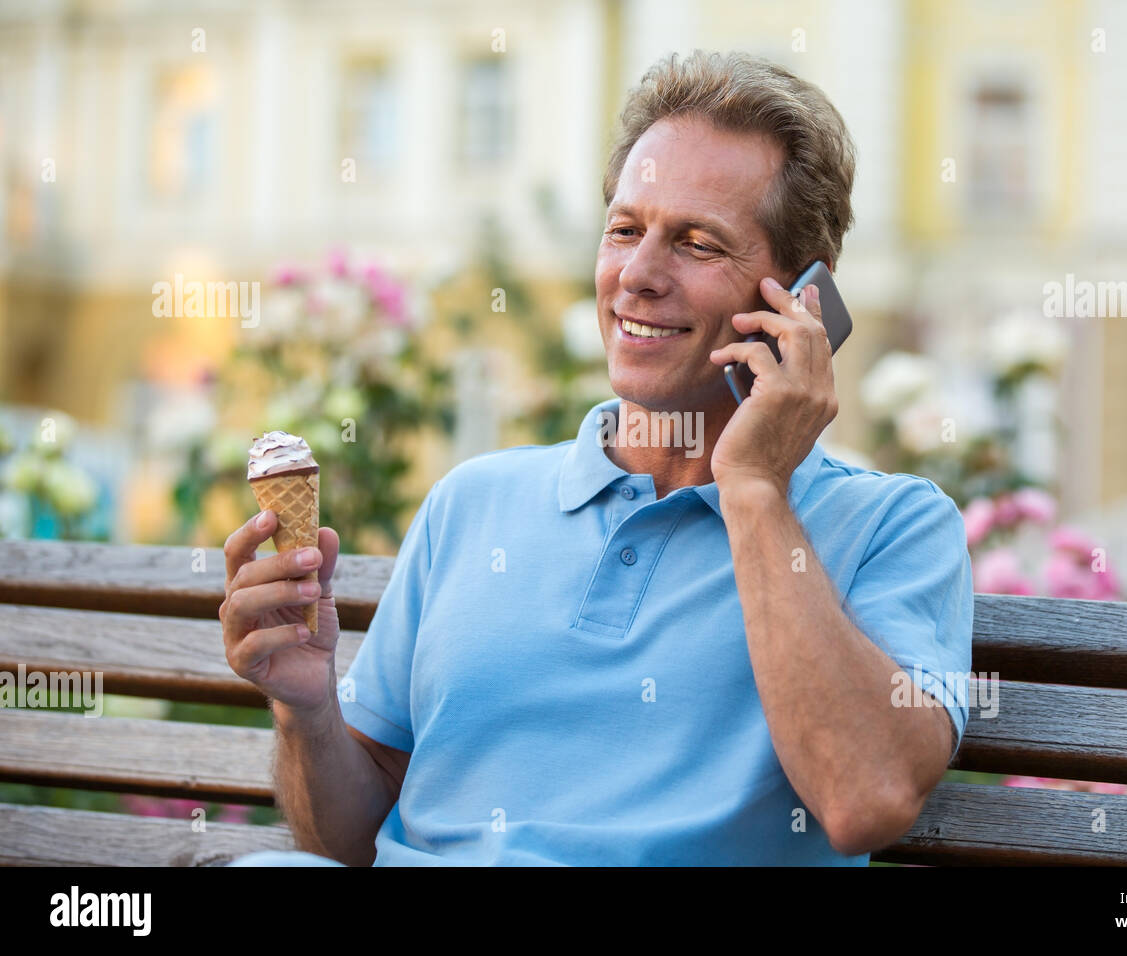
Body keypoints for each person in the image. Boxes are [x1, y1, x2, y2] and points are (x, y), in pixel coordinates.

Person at [223, 49, 971, 867]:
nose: (637, 277)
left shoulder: (895, 527)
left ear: (801, 301)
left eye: (697, 243)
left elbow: (866, 799)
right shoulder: (474, 502)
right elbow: (351, 841)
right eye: (624, 230)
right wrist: (307, 711)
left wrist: (753, 488)